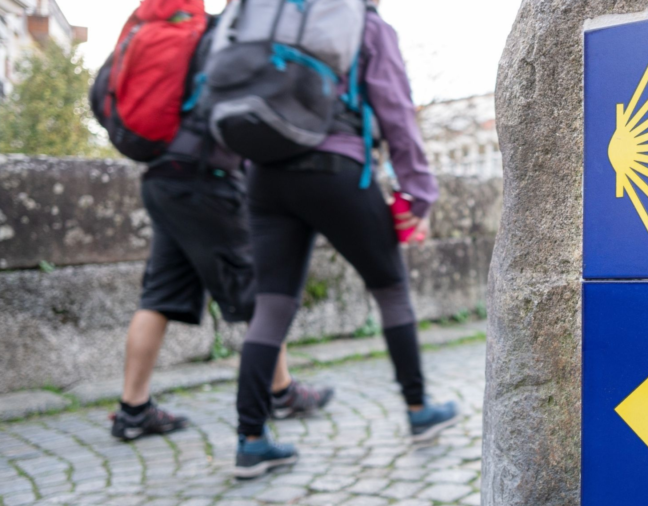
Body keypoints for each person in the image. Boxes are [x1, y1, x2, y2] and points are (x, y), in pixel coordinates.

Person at [232, 0, 459, 479]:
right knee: (391, 291)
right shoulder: (365, 22)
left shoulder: (269, 18)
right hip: (335, 168)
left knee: (271, 308)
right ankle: (419, 411)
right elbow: (395, 109)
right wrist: (417, 192)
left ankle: (250, 440)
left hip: (265, 176)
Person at [109, 1, 333, 442]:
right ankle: (280, 394)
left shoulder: (155, 32)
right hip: (204, 178)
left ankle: (132, 410)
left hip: (161, 177)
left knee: (159, 294)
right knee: (260, 290)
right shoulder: (216, 35)